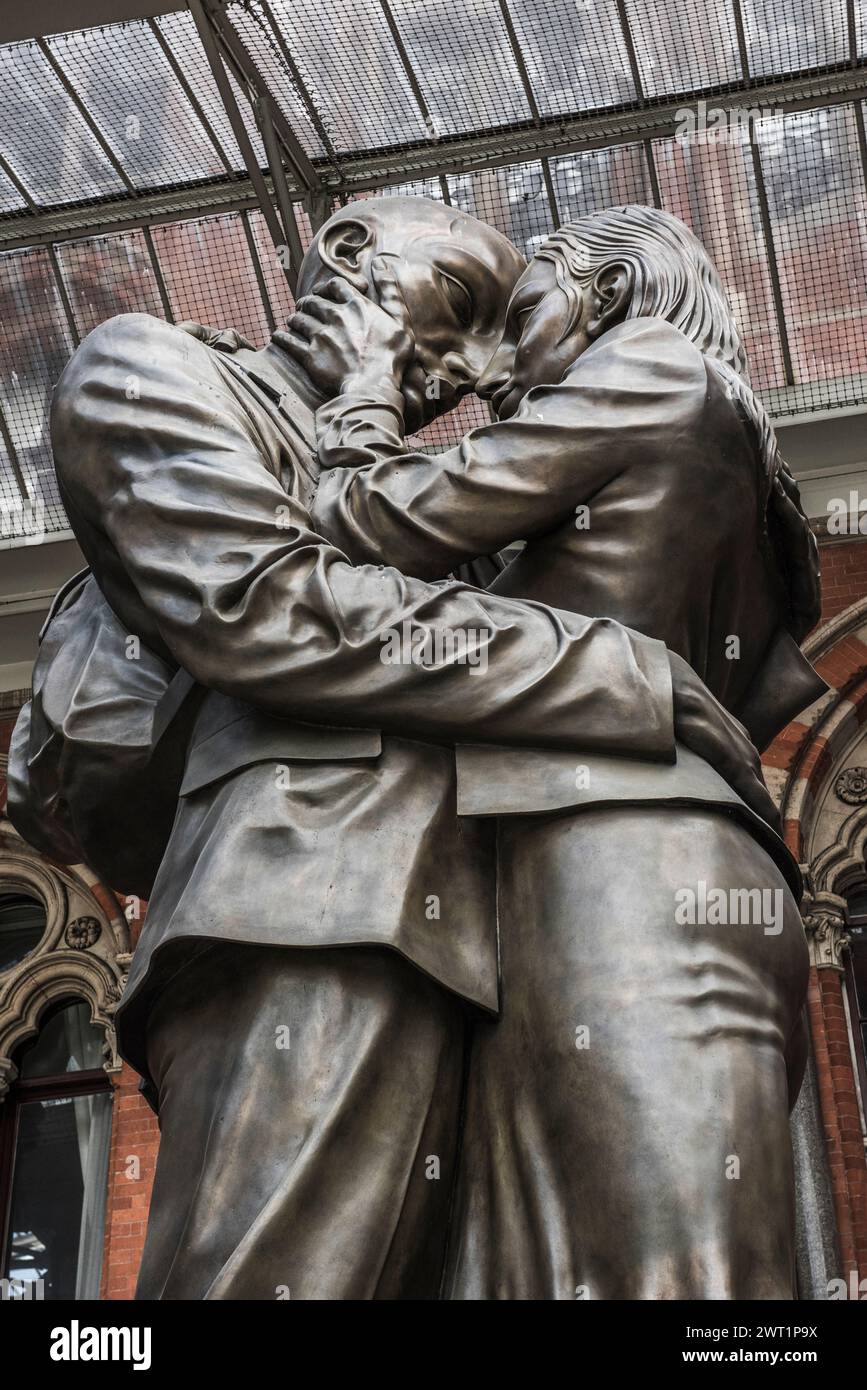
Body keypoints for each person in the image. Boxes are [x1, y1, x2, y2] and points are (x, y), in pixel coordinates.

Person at [37, 197, 768, 1300]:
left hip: (479, 939)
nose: (479, 366)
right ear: (346, 250)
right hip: (298, 910)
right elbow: (268, 610)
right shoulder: (149, 367)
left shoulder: (450, 492)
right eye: (469, 304)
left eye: (498, 330)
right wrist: (624, 673)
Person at [291, 205, 827, 1298]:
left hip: (618, 860)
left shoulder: (651, 370)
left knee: (667, 1267)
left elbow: (372, 517)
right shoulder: (706, 468)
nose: (486, 374)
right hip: (657, 855)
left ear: (610, 294)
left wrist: (361, 395)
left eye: (525, 307)